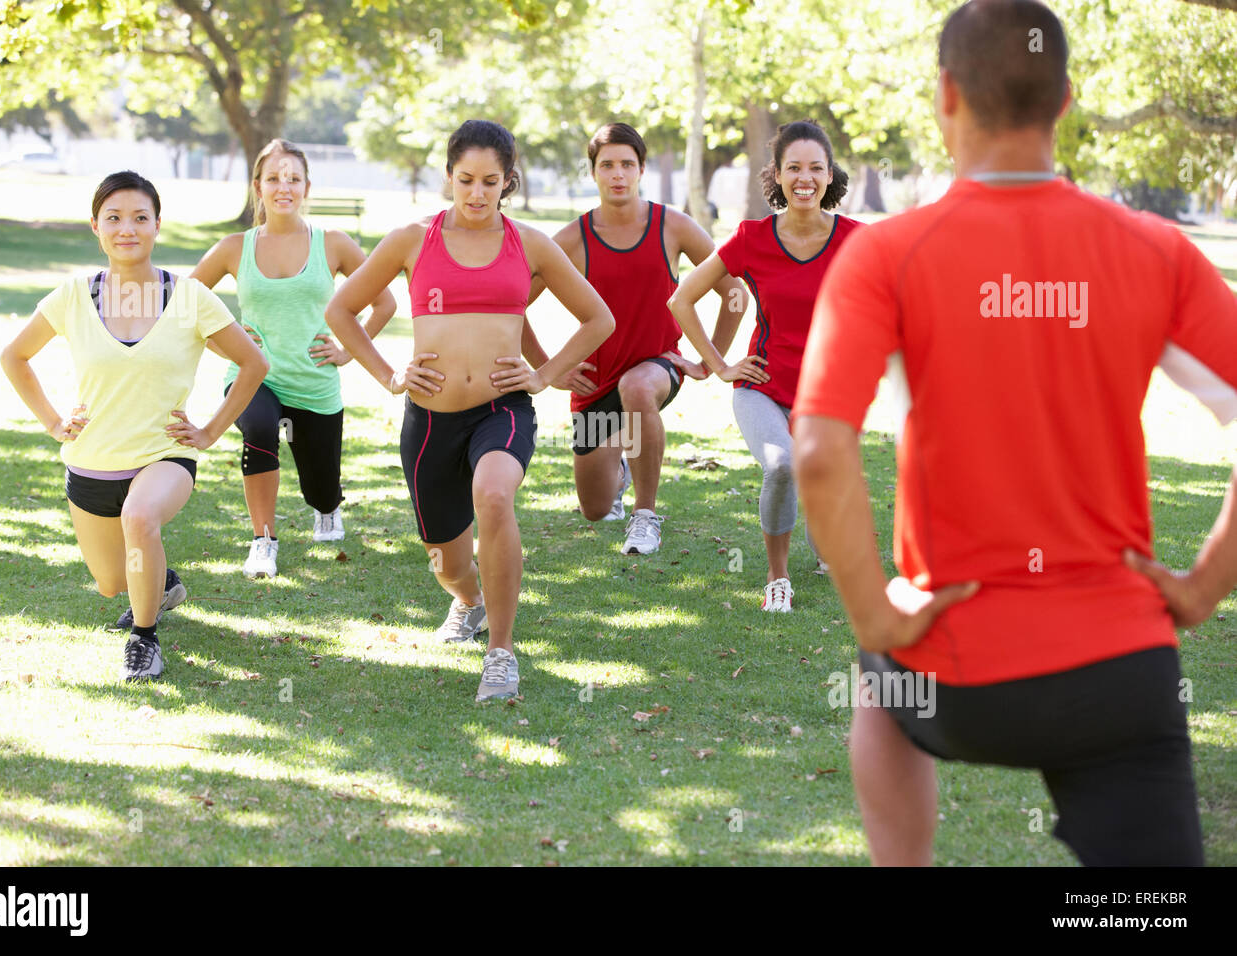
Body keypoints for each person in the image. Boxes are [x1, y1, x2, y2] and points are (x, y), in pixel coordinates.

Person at [792, 0, 1237, 866]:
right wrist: (1204, 585)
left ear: (944, 96)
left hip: (956, 670)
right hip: (1123, 667)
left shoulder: (889, 254)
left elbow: (817, 450)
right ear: (1066, 100)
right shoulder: (1158, 249)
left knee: (878, 686)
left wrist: (877, 615)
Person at [325, 119, 613, 702]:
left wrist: (542, 376)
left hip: (500, 410)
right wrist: (388, 375)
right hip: (429, 420)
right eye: (465, 180)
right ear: (448, 177)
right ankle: (469, 600)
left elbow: (598, 318)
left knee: (495, 496)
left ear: (509, 181)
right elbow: (342, 310)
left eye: (490, 181)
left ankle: (501, 654)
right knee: (447, 562)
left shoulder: (529, 243)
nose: (477, 194)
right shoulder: (412, 239)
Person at [0, 171, 267, 681]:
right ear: (95, 227)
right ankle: (161, 584)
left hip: (164, 456)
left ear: (157, 225)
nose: (128, 228)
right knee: (109, 581)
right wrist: (54, 421)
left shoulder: (190, 297)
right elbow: (15, 356)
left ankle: (144, 642)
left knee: (141, 518)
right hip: (92, 463)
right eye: (114, 218)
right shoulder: (73, 296)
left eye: (140, 217)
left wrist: (209, 432)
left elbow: (253, 364)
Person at [521, 122, 741, 555]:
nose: (617, 174)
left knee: (637, 388)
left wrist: (713, 360)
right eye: (607, 165)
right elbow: (512, 309)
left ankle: (645, 517)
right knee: (594, 508)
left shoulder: (673, 226)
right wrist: (550, 370)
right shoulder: (569, 239)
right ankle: (620, 472)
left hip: (657, 367)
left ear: (641, 169)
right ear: (593, 173)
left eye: (627, 164)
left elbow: (734, 292)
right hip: (596, 383)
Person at [669, 120, 861, 611]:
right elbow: (682, 299)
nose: (804, 177)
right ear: (776, 175)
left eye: (815, 168)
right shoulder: (753, 238)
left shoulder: (857, 241)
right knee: (781, 465)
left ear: (830, 175)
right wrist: (717, 364)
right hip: (765, 388)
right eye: (793, 167)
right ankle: (778, 578)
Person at [192, 139, 396, 578]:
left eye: (293, 178)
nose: (283, 187)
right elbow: (187, 303)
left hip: (314, 383)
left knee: (321, 487)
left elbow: (384, 303)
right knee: (260, 428)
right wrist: (225, 342)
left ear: (306, 187)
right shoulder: (234, 247)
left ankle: (327, 507)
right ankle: (263, 541)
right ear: (257, 187)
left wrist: (345, 353)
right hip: (253, 375)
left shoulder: (334, 244)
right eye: (273, 178)